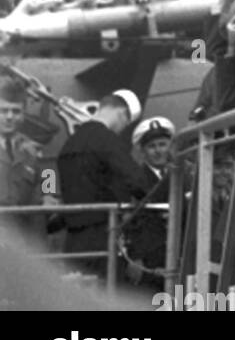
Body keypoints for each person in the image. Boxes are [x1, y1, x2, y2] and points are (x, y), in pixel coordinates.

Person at [55, 89, 153, 277]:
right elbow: (139, 183)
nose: (122, 128)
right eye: (126, 123)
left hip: (73, 241)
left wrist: (47, 191)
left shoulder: (69, 144)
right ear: (122, 113)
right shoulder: (108, 141)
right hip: (103, 237)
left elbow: (50, 174)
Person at [121, 117, 175, 287]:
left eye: (162, 144)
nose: (158, 151)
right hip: (149, 260)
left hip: (178, 256)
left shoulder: (182, 175)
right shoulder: (134, 180)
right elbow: (129, 222)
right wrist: (135, 259)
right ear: (142, 151)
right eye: (152, 146)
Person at [1, 75, 47, 247]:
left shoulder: (32, 149)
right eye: (3, 111)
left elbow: (48, 173)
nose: (9, 117)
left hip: (25, 238)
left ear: (23, 114)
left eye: (15, 111)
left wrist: (49, 193)